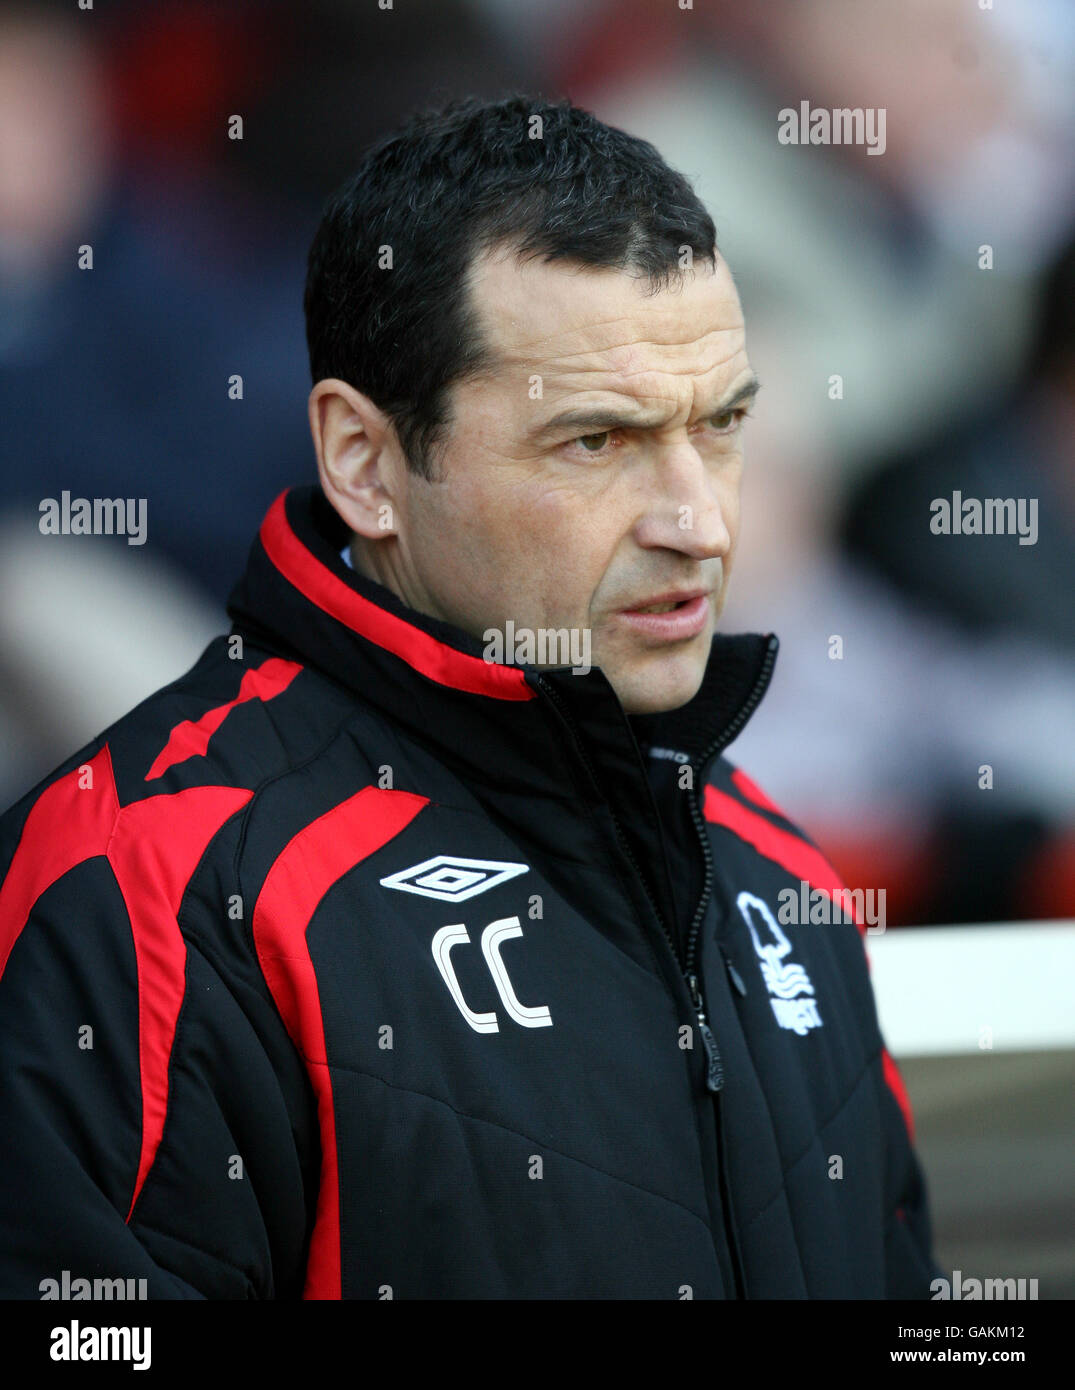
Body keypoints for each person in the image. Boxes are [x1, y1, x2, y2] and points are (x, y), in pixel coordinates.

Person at [0, 94, 938, 1299]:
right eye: (595, 442)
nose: (699, 523)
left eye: (721, 427)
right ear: (366, 463)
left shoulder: (781, 876)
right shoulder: (147, 883)